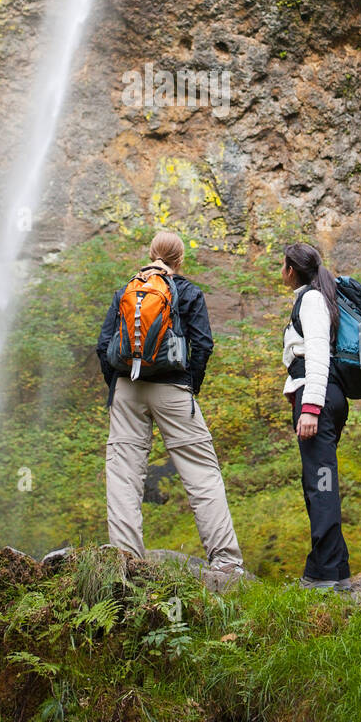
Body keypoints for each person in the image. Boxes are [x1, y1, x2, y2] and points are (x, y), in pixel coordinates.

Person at [97, 230, 243, 574]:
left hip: (127, 388)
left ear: (150, 254)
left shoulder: (126, 291)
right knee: (201, 473)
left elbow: (103, 345)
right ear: (179, 260)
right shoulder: (189, 292)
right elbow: (203, 345)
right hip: (173, 388)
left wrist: (117, 387)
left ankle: (126, 561)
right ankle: (225, 562)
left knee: (123, 473)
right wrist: (189, 385)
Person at [281, 242, 352, 592]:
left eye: (283, 266)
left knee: (320, 485)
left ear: (291, 269)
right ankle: (334, 571)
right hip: (325, 398)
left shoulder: (310, 300)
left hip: (318, 399)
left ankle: (324, 577)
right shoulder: (317, 297)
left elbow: (319, 353)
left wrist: (310, 409)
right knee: (321, 482)